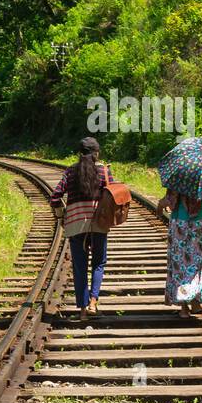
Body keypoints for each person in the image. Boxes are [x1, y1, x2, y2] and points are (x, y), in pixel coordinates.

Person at [50, 137, 113, 319]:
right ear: (96, 153)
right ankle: (94, 301)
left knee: (79, 266)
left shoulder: (70, 172)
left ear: (79, 154)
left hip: (76, 225)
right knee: (99, 263)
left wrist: (62, 216)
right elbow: (112, 194)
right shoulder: (104, 171)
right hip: (99, 223)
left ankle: (83, 311)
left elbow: (55, 197)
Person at [158, 189, 202, 317]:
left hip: (180, 223)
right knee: (197, 261)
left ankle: (184, 308)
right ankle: (196, 303)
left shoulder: (179, 179)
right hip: (200, 223)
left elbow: (169, 201)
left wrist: (159, 206)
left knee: (179, 262)